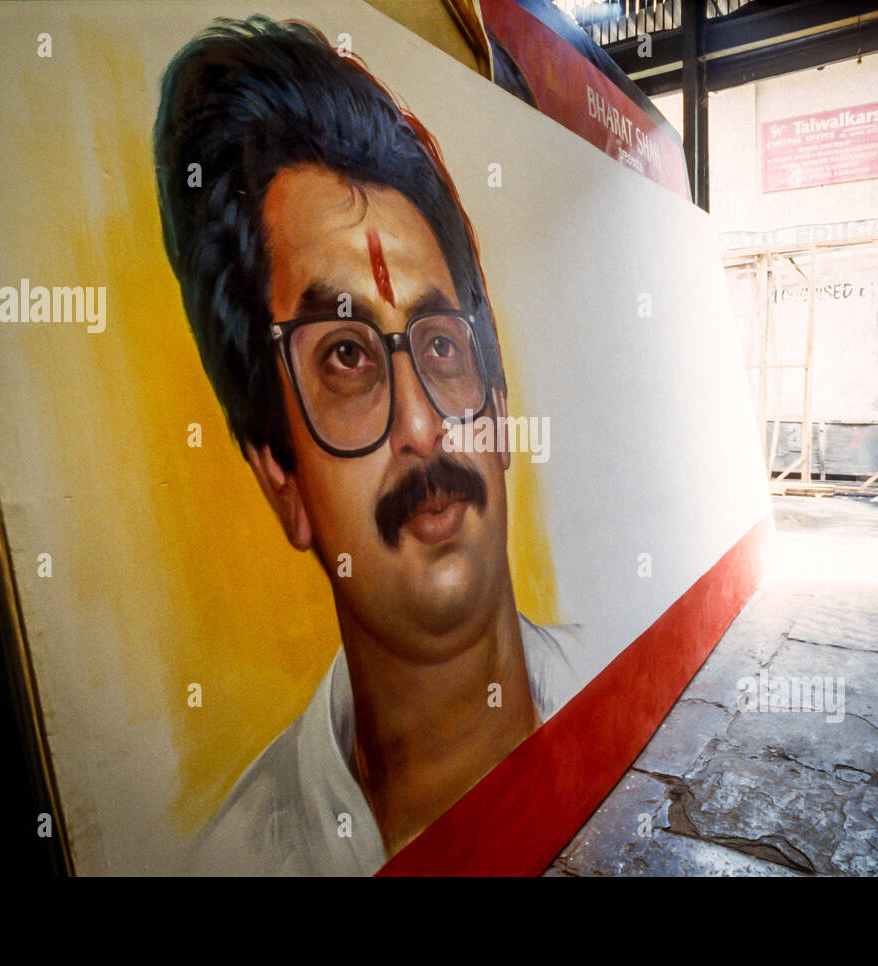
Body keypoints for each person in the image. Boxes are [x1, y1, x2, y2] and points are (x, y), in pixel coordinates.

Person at [153, 16, 608, 875]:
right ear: (279, 476)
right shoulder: (234, 862)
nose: (425, 427)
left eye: (441, 343)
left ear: (501, 413)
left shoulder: (611, 701)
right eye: (348, 357)